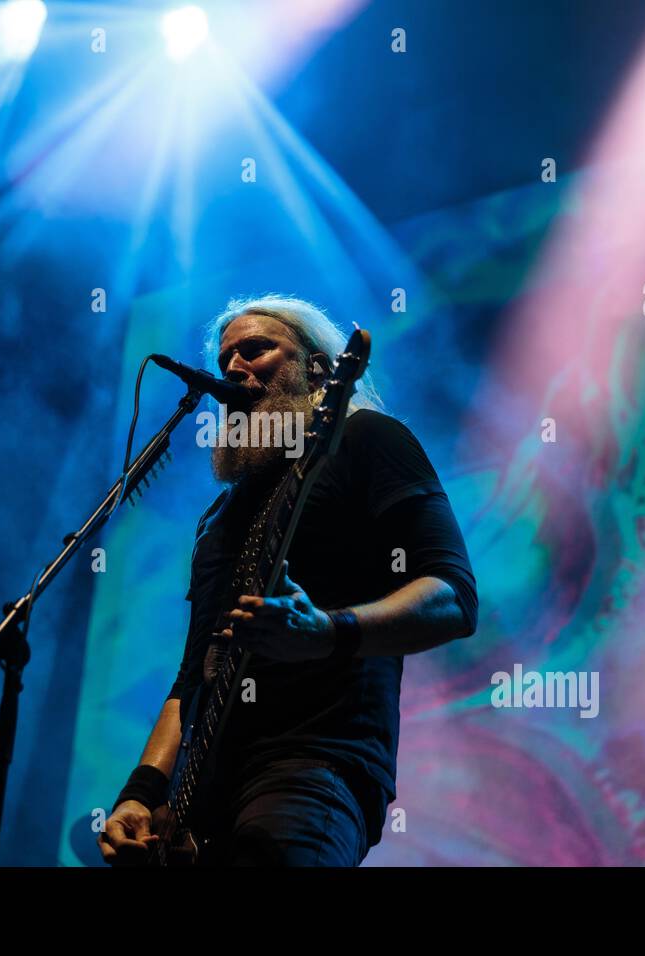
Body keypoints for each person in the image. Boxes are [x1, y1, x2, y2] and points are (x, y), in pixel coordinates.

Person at [99, 295, 477, 866]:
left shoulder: (367, 440)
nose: (233, 369)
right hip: (201, 800)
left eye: (256, 350)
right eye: (226, 359)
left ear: (318, 367)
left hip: (315, 761)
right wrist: (143, 792)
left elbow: (453, 597)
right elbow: (195, 672)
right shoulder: (218, 519)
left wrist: (328, 631)